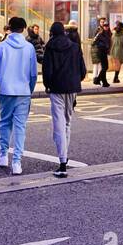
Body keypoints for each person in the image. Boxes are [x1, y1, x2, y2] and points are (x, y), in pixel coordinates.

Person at [0, 16, 38, 175]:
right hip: (23, 91)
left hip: (5, 91)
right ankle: (17, 162)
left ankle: (3, 155)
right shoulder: (29, 47)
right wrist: (29, 90)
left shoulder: (1, 47)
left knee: (4, 123)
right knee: (20, 127)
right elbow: (33, 74)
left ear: (9, 28)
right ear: (24, 29)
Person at [42, 21, 86, 178]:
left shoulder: (50, 47)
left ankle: (62, 162)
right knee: (67, 123)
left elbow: (47, 71)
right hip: (72, 89)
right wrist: (75, 81)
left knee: (58, 124)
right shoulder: (74, 47)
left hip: (56, 89)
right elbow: (82, 70)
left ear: (52, 33)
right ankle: (64, 158)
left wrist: (48, 85)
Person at [92, 18, 112, 87]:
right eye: (105, 26)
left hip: (104, 52)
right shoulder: (100, 33)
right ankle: (97, 79)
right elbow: (94, 42)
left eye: (107, 26)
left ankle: (104, 82)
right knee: (105, 67)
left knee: (104, 67)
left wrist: (108, 49)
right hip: (100, 51)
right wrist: (103, 45)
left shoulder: (108, 33)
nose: (106, 27)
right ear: (103, 26)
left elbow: (109, 42)